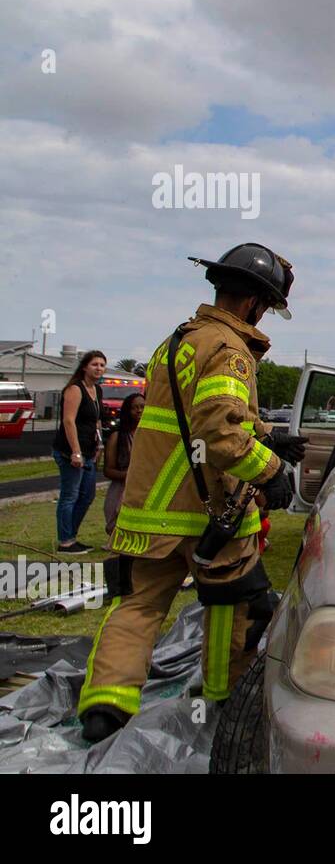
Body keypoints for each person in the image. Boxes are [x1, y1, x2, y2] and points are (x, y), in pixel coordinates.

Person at [77, 243, 308, 743]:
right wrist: (271, 470)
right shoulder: (230, 350)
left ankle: (104, 709)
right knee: (236, 605)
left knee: (136, 607)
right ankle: (220, 701)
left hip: (149, 512)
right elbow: (219, 434)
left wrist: (266, 432)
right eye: (266, 307)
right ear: (253, 303)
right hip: (210, 512)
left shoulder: (177, 342)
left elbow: (193, 415)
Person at [51, 349, 107, 554]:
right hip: (70, 452)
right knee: (70, 495)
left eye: (102, 365)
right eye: (95, 364)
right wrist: (75, 451)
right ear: (84, 367)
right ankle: (65, 542)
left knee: (87, 495)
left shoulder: (97, 390)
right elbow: (68, 420)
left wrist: (99, 443)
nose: (99, 368)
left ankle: (71, 534)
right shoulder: (75, 389)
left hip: (89, 451)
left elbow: (96, 420)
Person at [102, 391, 144, 538]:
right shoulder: (117, 437)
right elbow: (108, 470)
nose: (139, 410)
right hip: (122, 487)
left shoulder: (152, 437)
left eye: (142, 407)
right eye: (134, 407)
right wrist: (129, 475)